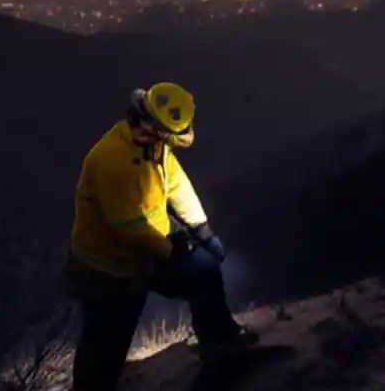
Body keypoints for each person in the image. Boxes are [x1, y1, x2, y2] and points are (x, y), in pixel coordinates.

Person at [67, 82, 258, 390]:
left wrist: (201, 228)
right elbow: (131, 230)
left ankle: (221, 343)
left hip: (149, 251)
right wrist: (170, 249)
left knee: (205, 275)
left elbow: (176, 184)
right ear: (153, 126)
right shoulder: (112, 162)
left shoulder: (151, 146)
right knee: (105, 346)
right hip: (108, 271)